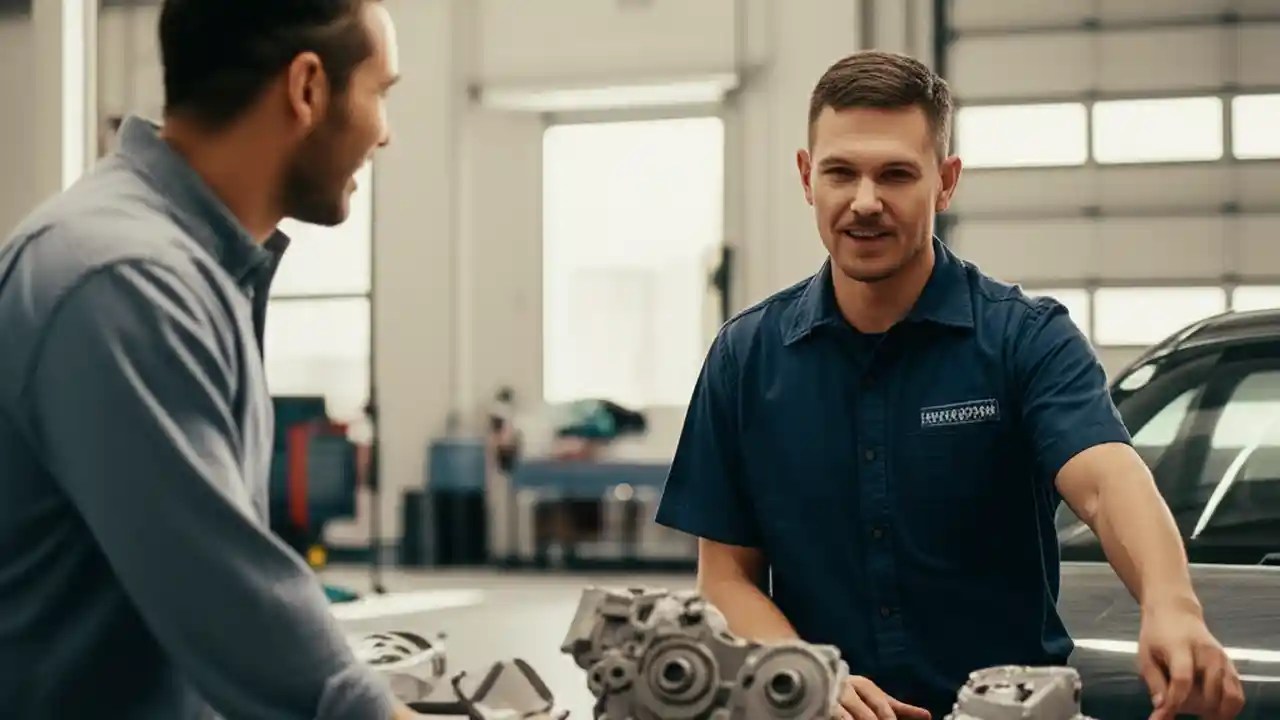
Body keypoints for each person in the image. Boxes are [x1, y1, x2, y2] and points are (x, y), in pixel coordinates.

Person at [655, 50, 1245, 720]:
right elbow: (725, 575)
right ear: (806, 176)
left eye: (897, 174)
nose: (866, 202)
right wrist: (812, 677)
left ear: (945, 181)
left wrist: (1171, 604)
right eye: (841, 172)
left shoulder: (1025, 340)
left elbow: (1110, 486)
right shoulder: (745, 359)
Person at [0, 1, 422, 718]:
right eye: (380, 93)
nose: (384, 134)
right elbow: (238, 614)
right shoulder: (123, 278)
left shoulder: (182, 265)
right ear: (308, 89)